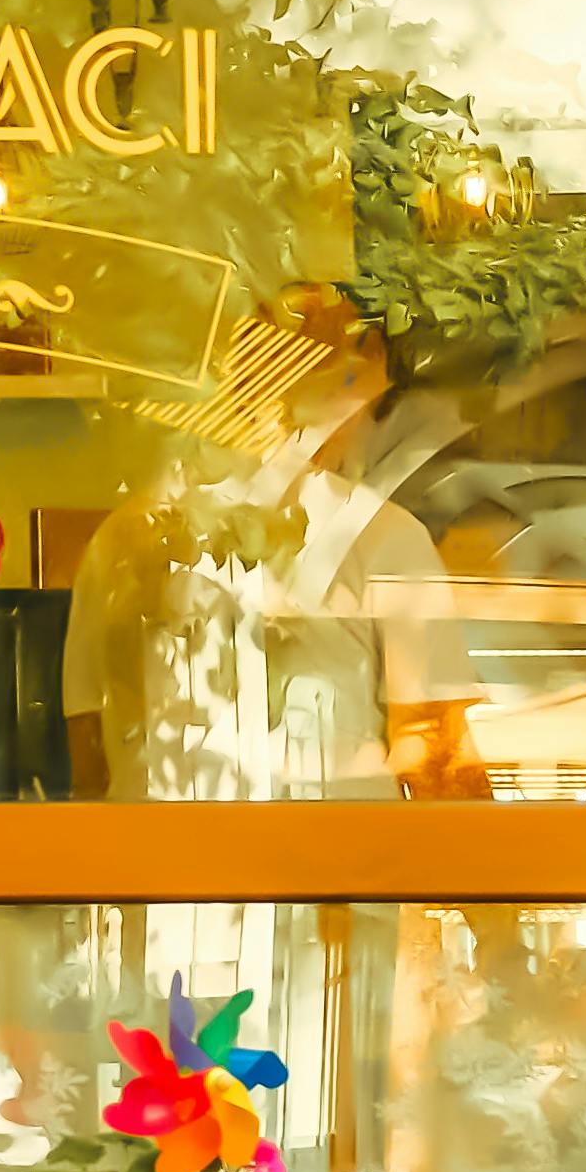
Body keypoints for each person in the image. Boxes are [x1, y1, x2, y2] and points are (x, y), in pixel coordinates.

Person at [63, 287, 482, 802]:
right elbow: (438, 764)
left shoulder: (119, 540)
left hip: (159, 872)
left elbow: (88, 763)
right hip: (332, 871)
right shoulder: (380, 536)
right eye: (354, 385)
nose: (364, 417)